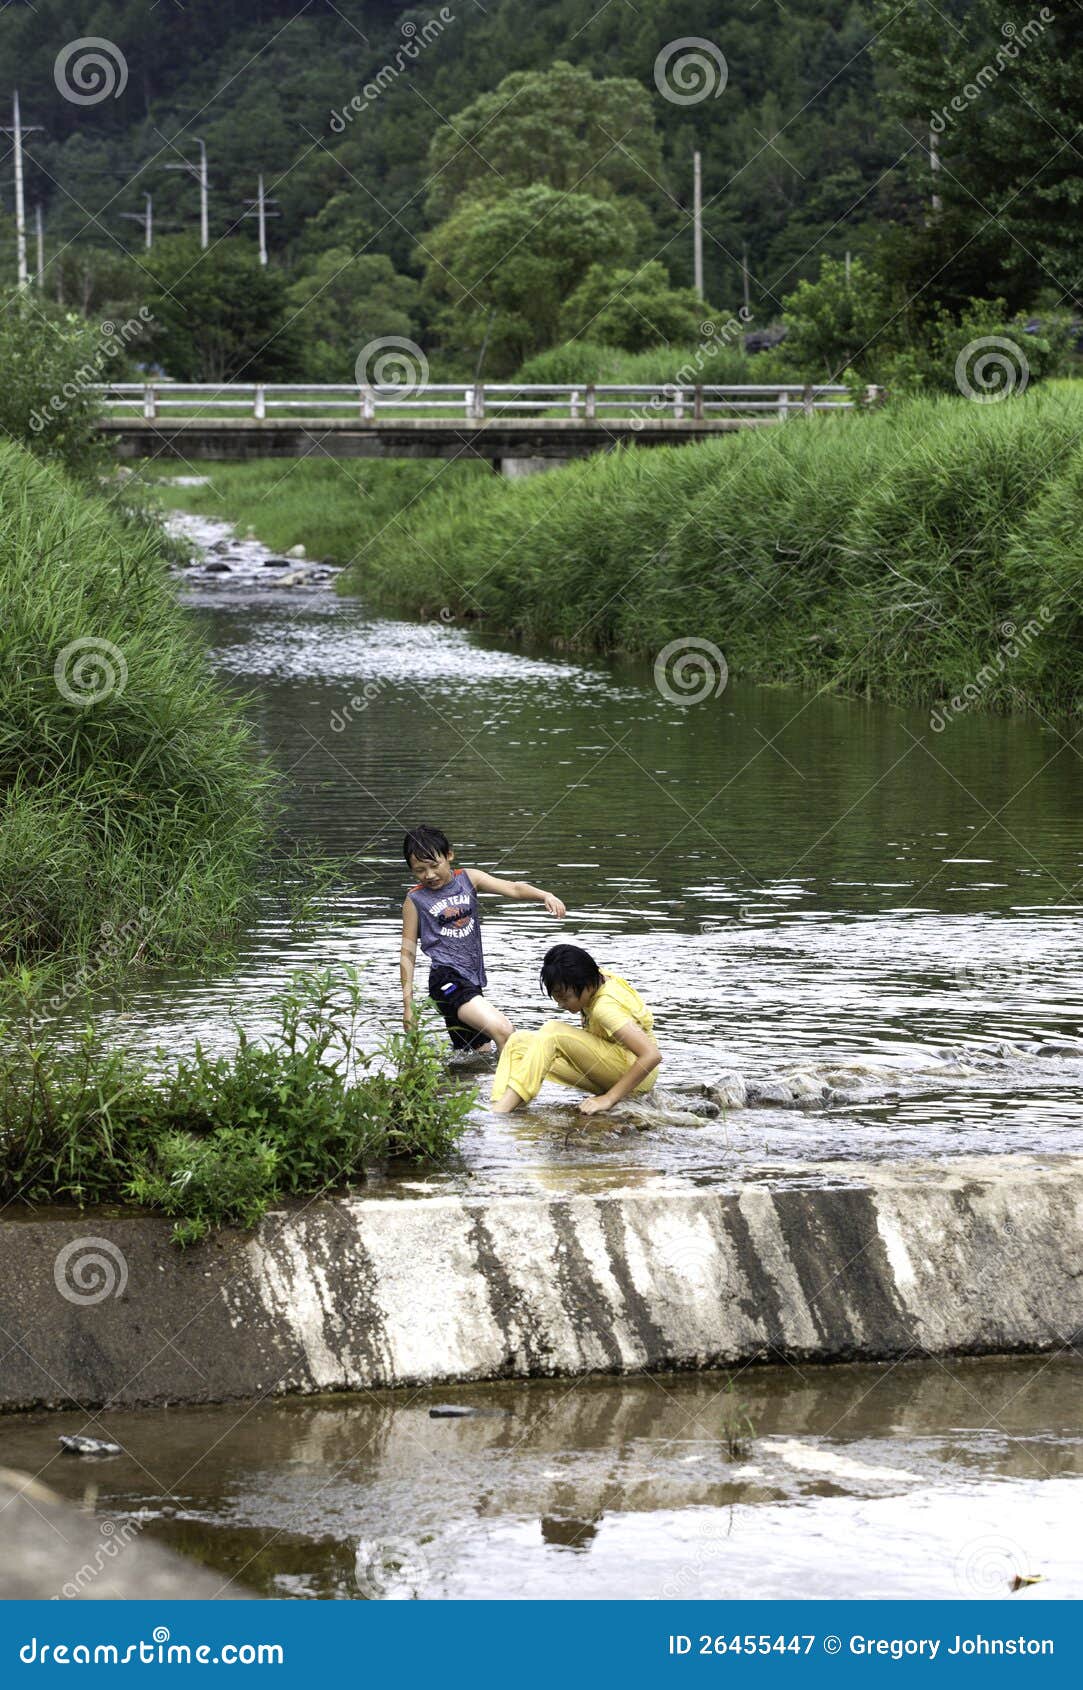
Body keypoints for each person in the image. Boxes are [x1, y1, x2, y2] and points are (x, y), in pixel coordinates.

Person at [400, 825, 566, 1053]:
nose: (429, 875)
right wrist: (408, 1006)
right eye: (419, 870)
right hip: (446, 981)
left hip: (472, 981)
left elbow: (514, 888)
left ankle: (448, 1086)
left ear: (449, 855)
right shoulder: (415, 899)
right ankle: (513, 1088)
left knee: (476, 1057)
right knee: (505, 1032)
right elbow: (408, 952)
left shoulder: (469, 879)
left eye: (433, 866)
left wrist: (545, 895)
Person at [491, 943, 661, 1115]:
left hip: (637, 1079)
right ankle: (499, 1104)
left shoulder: (605, 1008)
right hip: (607, 1068)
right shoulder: (595, 978)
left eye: (565, 998)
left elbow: (651, 1055)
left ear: (586, 984)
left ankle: (501, 1111)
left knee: (552, 1031)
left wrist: (608, 1098)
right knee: (517, 1042)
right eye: (557, 998)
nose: (561, 1004)